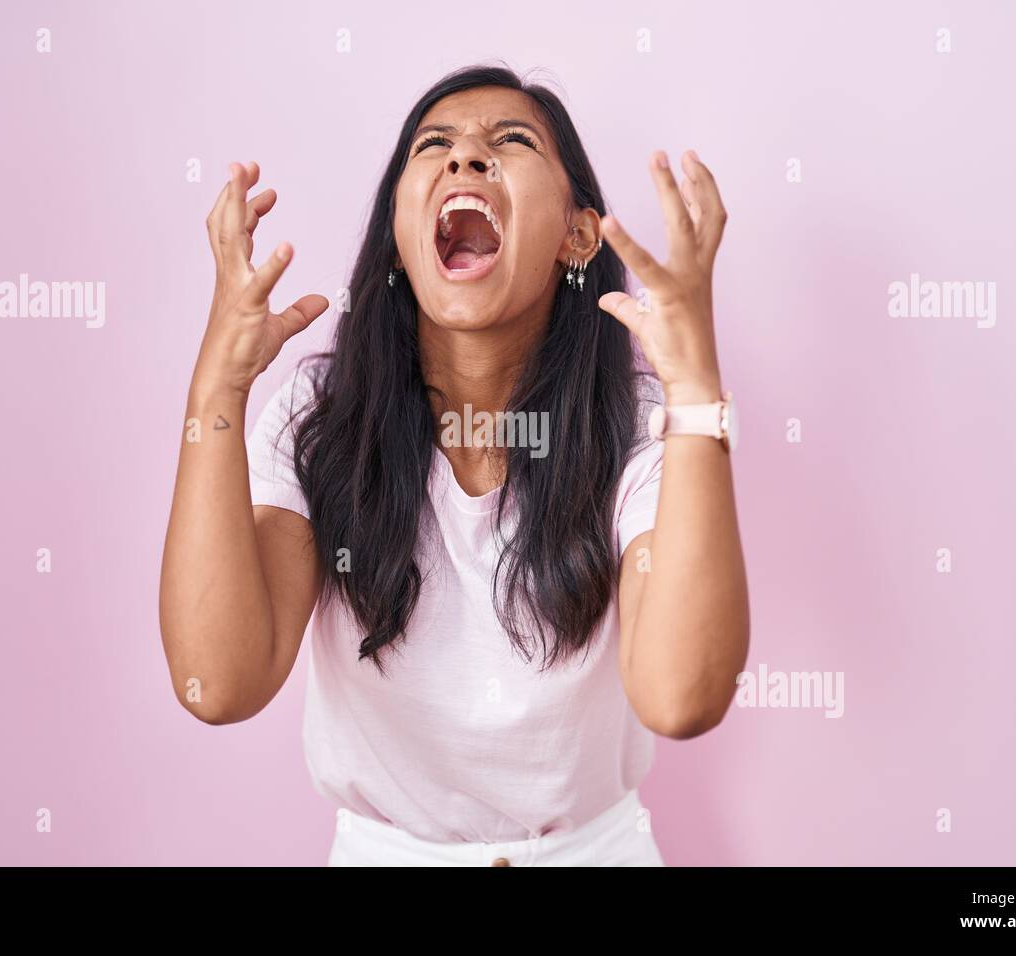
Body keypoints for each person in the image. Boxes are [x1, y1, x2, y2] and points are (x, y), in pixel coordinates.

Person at [159, 64, 750, 866]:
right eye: (434, 146)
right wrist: (217, 388)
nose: (465, 158)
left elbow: (682, 698)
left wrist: (695, 393)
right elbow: (218, 684)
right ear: (400, 235)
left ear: (578, 235)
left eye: (509, 142)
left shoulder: (642, 424)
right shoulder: (319, 417)